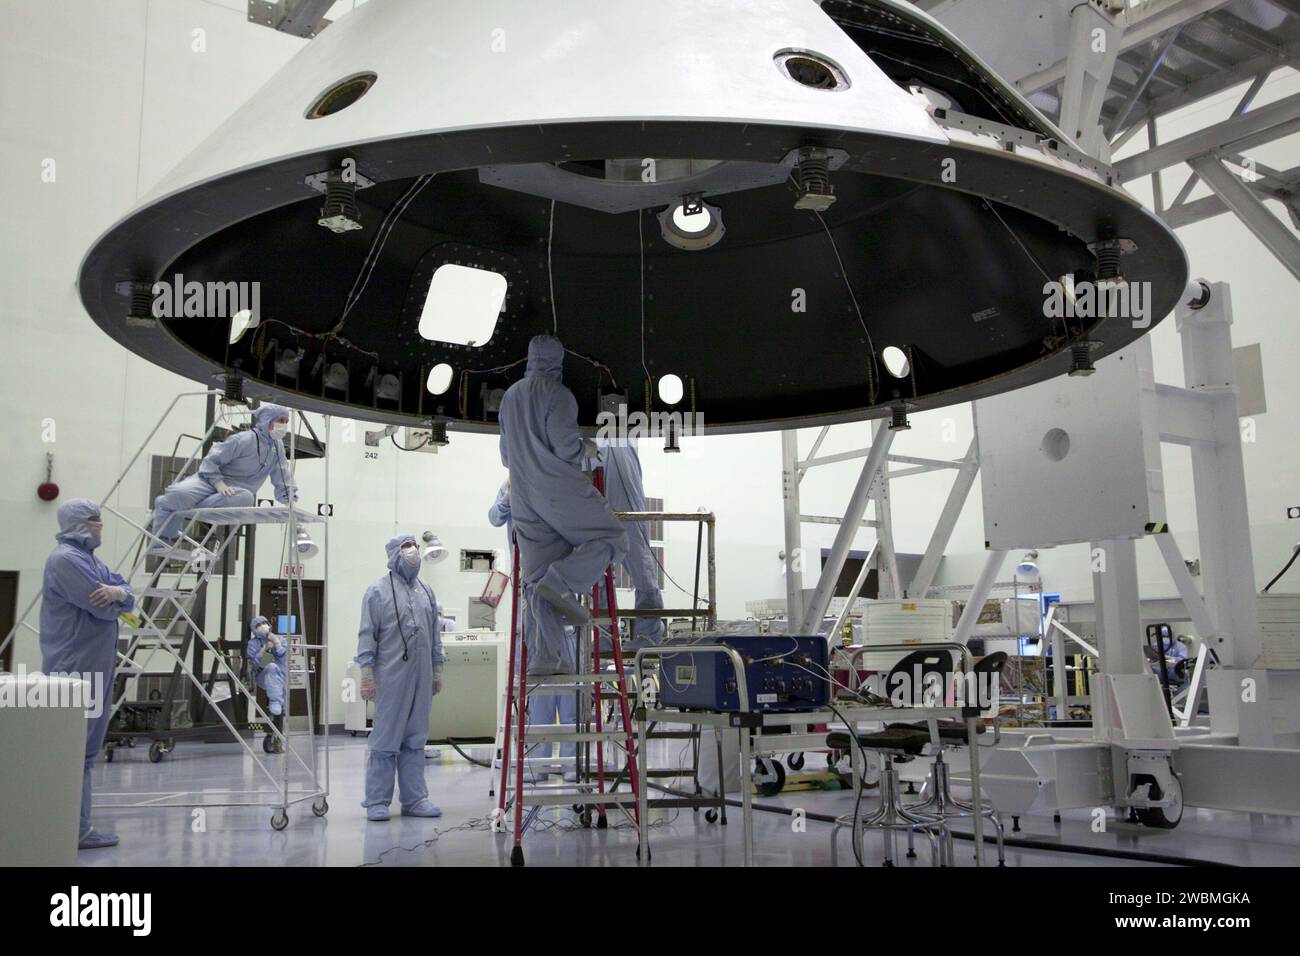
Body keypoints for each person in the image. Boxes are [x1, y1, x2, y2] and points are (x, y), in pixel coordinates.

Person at [497, 335, 628, 675]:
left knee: (535, 579)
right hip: (555, 489)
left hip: (522, 496)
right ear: (557, 362)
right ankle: (562, 582)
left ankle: (547, 657)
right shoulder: (558, 395)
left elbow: (506, 456)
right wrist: (588, 450)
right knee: (613, 537)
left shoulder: (510, 397)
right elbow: (566, 447)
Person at [39, 498, 134, 850]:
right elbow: (104, 609)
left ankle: (78, 825)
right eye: (94, 519)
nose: (99, 525)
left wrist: (120, 593)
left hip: (94, 666)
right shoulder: (65, 560)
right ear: (76, 522)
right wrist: (118, 599)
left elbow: (126, 596)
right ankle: (70, 828)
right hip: (74, 667)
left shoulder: (91, 560)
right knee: (73, 748)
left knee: (86, 749)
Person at [355, 535, 445, 821]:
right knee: (386, 737)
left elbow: (435, 634)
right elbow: (367, 634)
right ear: (394, 554)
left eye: (414, 546)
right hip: (391, 676)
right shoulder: (377, 592)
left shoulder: (426, 591)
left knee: (416, 737)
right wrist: (366, 673)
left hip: (422, 675)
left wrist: (437, 668)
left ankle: (415, 799)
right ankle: (377, 800)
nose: (413, 552)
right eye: (406, 547)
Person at [151, 404, 298, 546]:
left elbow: (282, 475)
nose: (284, 425)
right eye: (280, 420)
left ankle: (178, 505)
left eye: (286, 422)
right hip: (209, 481)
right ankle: (161, 541)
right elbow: (211, 461)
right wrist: (219, 484)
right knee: (178, 493)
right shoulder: (243, 440)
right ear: (267, 420)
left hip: (234, 492)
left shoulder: (277, 448)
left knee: (246, 498)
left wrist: (289, 498)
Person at [595, 436, 665, 645]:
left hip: (629, 505)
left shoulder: (623, 431)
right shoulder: (586, 432)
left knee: (644, 574)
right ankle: (605, 644)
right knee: (599, 579)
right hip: (595, 505)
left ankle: (648, 639)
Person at [247, 615, 287, 753]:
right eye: (258, 625)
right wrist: (264, 649)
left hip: (280, 678)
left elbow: (283, 656)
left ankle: (276, 739)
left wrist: (276, 643)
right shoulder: (253, 644)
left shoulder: (279, 638)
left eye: (264, 623)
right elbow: (255, 664)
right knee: (271, 667)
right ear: (254, 629)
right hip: (262, 676)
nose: (262, 626)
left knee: (280, 710)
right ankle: (275, 701)